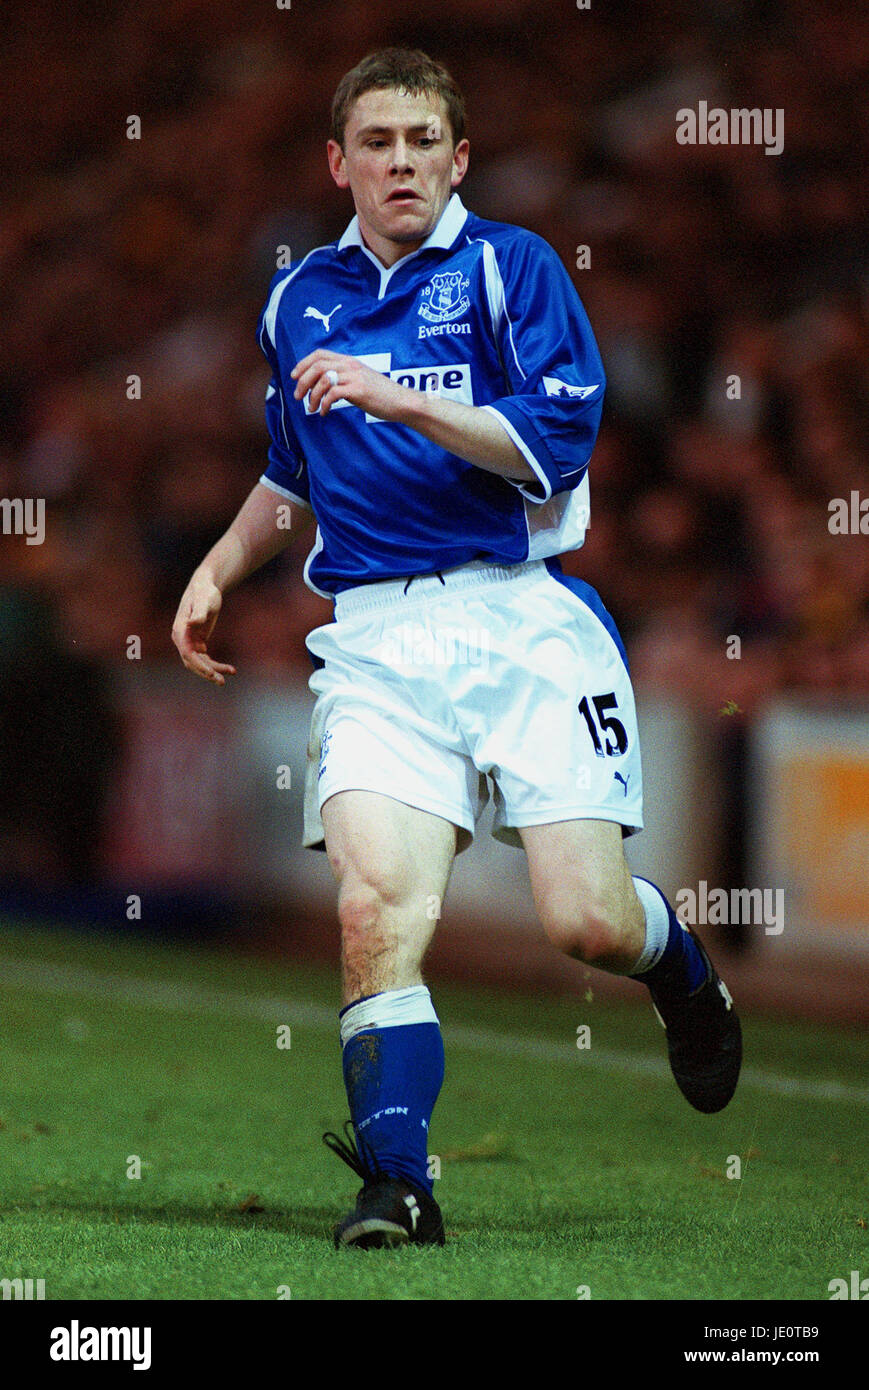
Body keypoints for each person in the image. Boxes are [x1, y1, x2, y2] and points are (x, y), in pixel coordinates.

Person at [172, 47, 741, 1250]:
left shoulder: (511, 268)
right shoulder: (298, 299)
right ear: (338, 161)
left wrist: (399, 395)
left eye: (422, 142)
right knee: (375, 905)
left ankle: (681, 972)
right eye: (375, 143)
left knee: (583, 923)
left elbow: (553, 441)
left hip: (516, 617)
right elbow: (291, 471)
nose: (400, 164)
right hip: (374, 638)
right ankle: (396, 1183)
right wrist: (219, 566)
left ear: (458, 157)